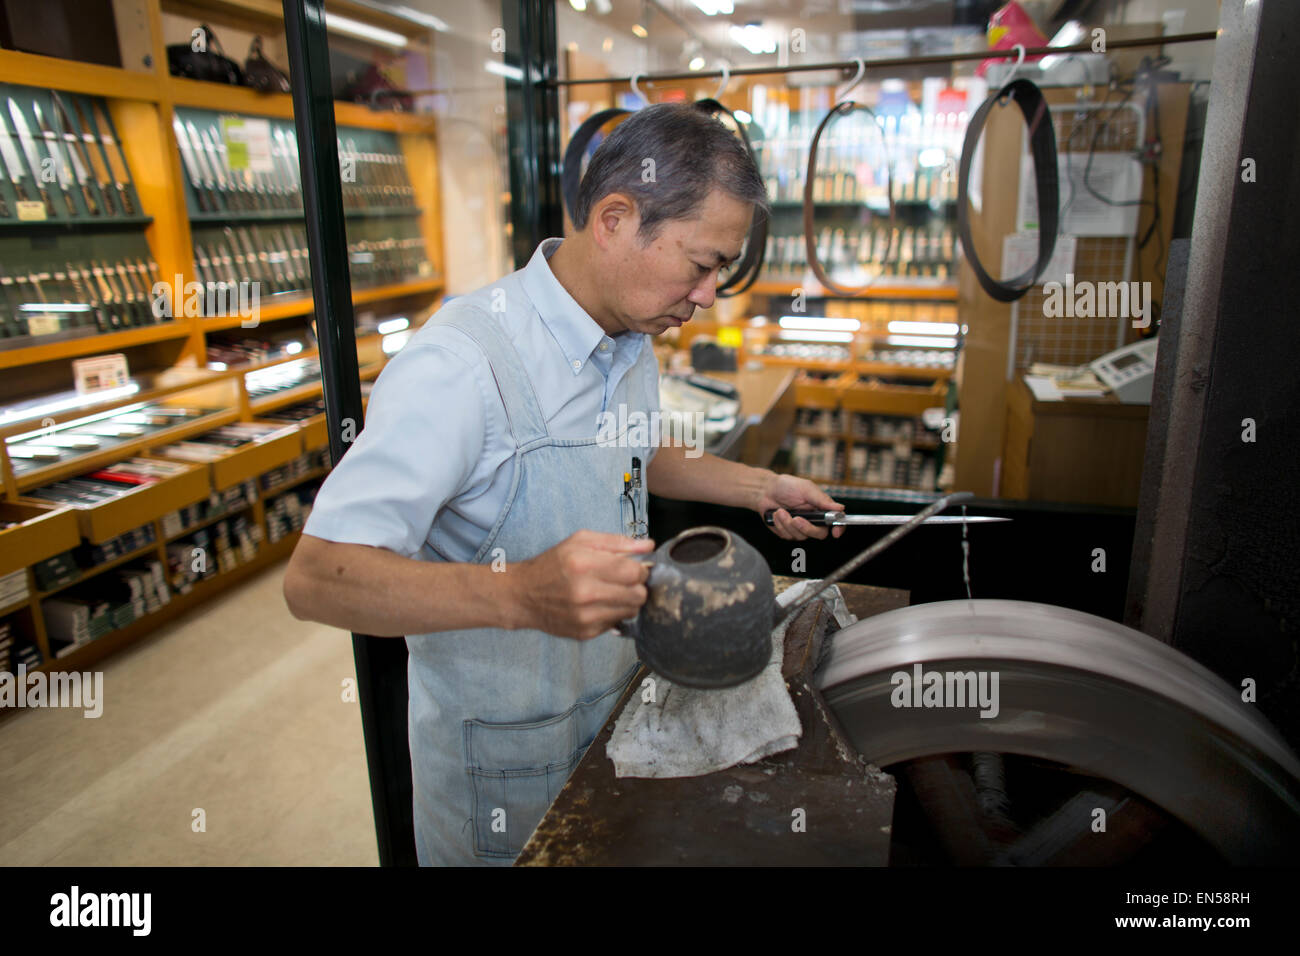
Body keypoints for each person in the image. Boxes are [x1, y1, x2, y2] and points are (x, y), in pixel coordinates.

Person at [283, 103, 845, 866]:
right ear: (615, 218)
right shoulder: (459, 368)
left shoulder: (628, 332)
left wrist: (757, 486)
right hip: (501, 781)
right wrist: (518, 595)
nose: (711, 292)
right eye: (703, 263)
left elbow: (630, 449)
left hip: (613, 722)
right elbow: (318, 579)